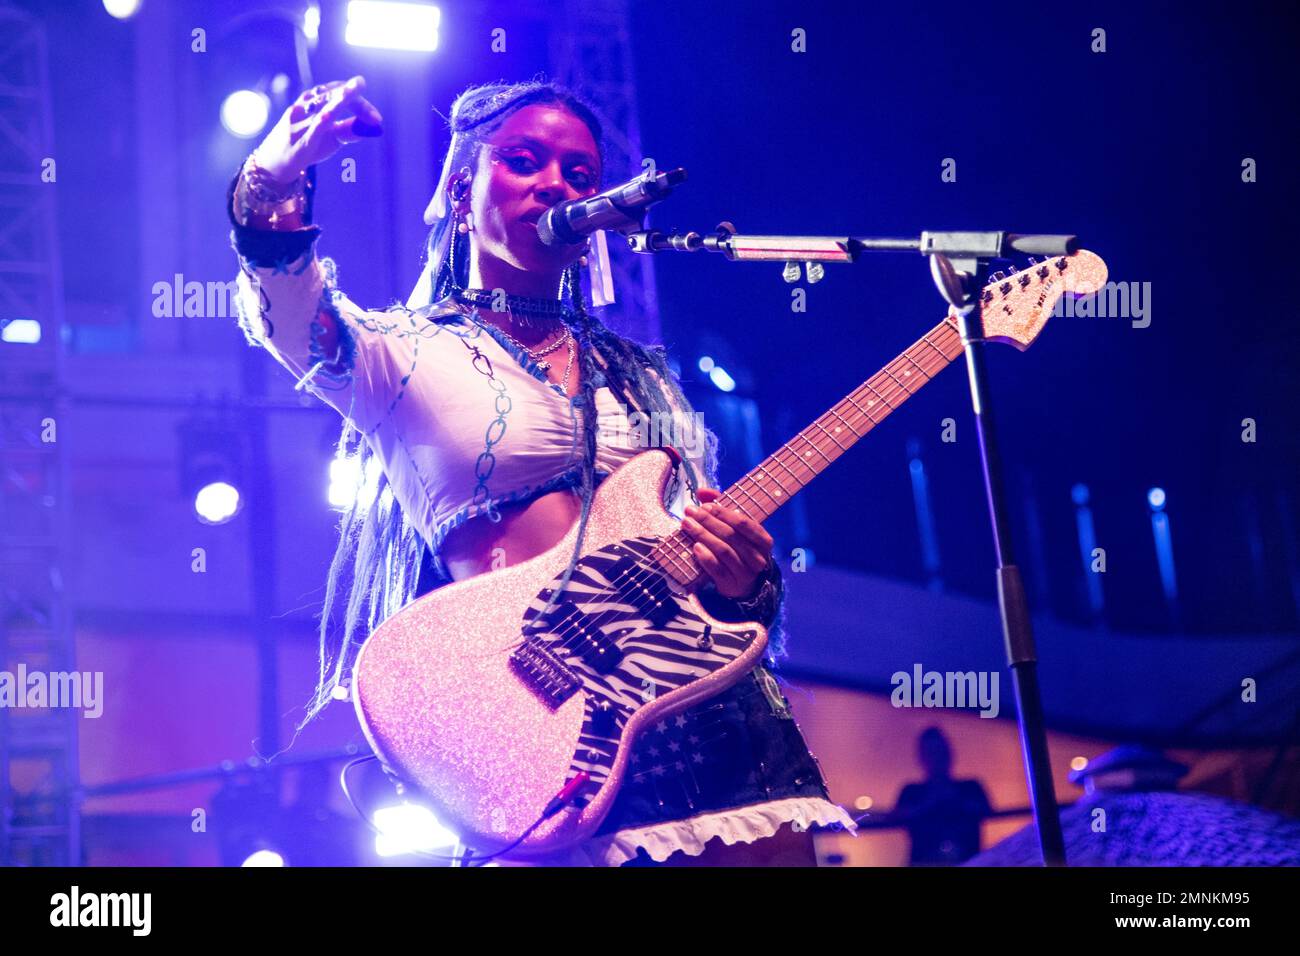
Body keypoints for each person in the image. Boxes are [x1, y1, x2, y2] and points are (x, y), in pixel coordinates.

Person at [225, 75, 857, 866]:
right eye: (523, 160)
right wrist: (275, 174)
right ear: (462, 191)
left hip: (716, 724)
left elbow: (711, 562)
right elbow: (288, 309)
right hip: (534, 732)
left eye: (580, 174)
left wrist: (748, 581)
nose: (556, 184)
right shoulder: (397, 354)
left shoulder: (643, 375)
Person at [883, 727, 991, 865]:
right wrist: (928, 804)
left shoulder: (971, 788)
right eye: (932, 753)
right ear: (922, 758)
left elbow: (986, 811)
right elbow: (893, 819)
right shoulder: (911, 792)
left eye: (940, 752)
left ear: (950, 754)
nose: (937, 758)